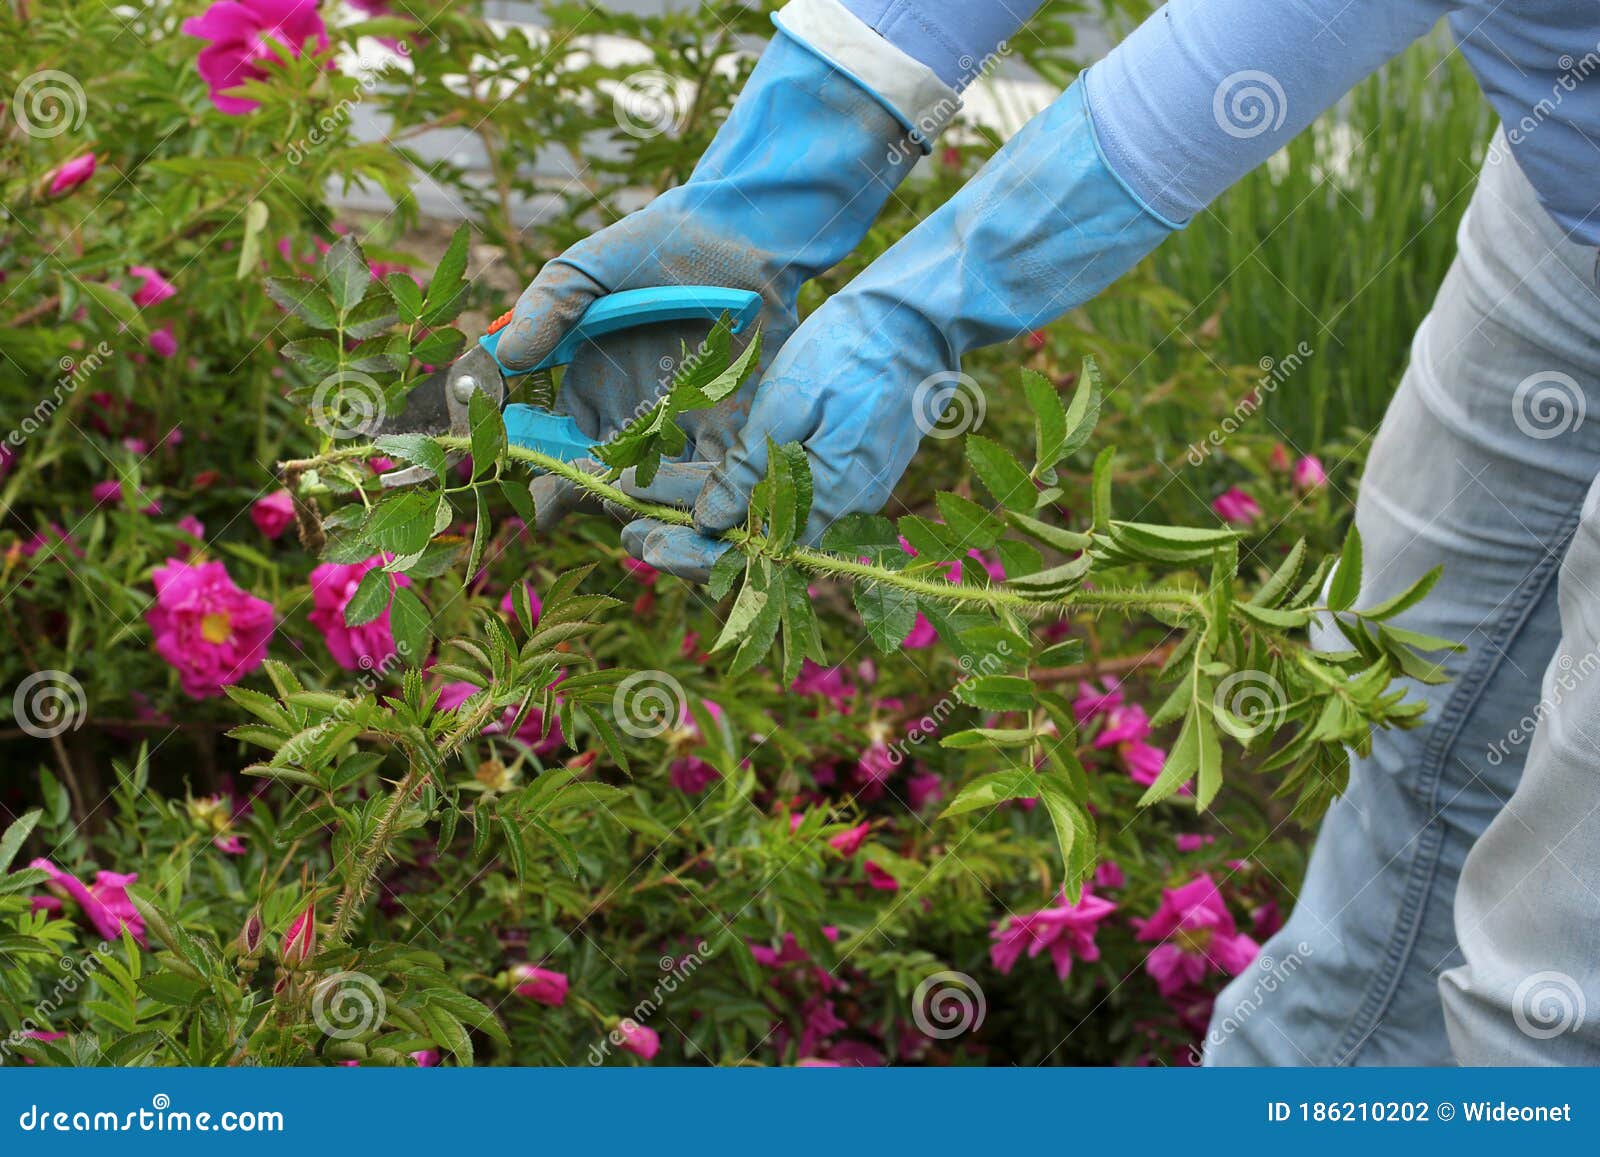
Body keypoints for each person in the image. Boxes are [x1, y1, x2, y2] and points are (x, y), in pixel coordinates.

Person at [495, 0, 1600, 1064]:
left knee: (1551, 982)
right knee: (1409, 740)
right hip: (1567, 209)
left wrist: (927, 306)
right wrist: (761, 196)